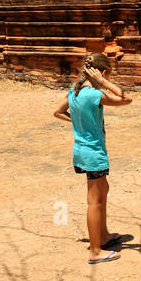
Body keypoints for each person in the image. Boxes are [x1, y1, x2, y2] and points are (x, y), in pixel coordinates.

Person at [53, 52, 133, 264]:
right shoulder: (93, 94)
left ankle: (103, 236)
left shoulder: (75, 91)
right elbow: (127, 98)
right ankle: (95, 250)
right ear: (102, 72)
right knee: (94, 201)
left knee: (103, 190)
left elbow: (57, 112)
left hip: (81, 151)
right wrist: (103, 82)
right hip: (93, 153)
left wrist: (79, 124)